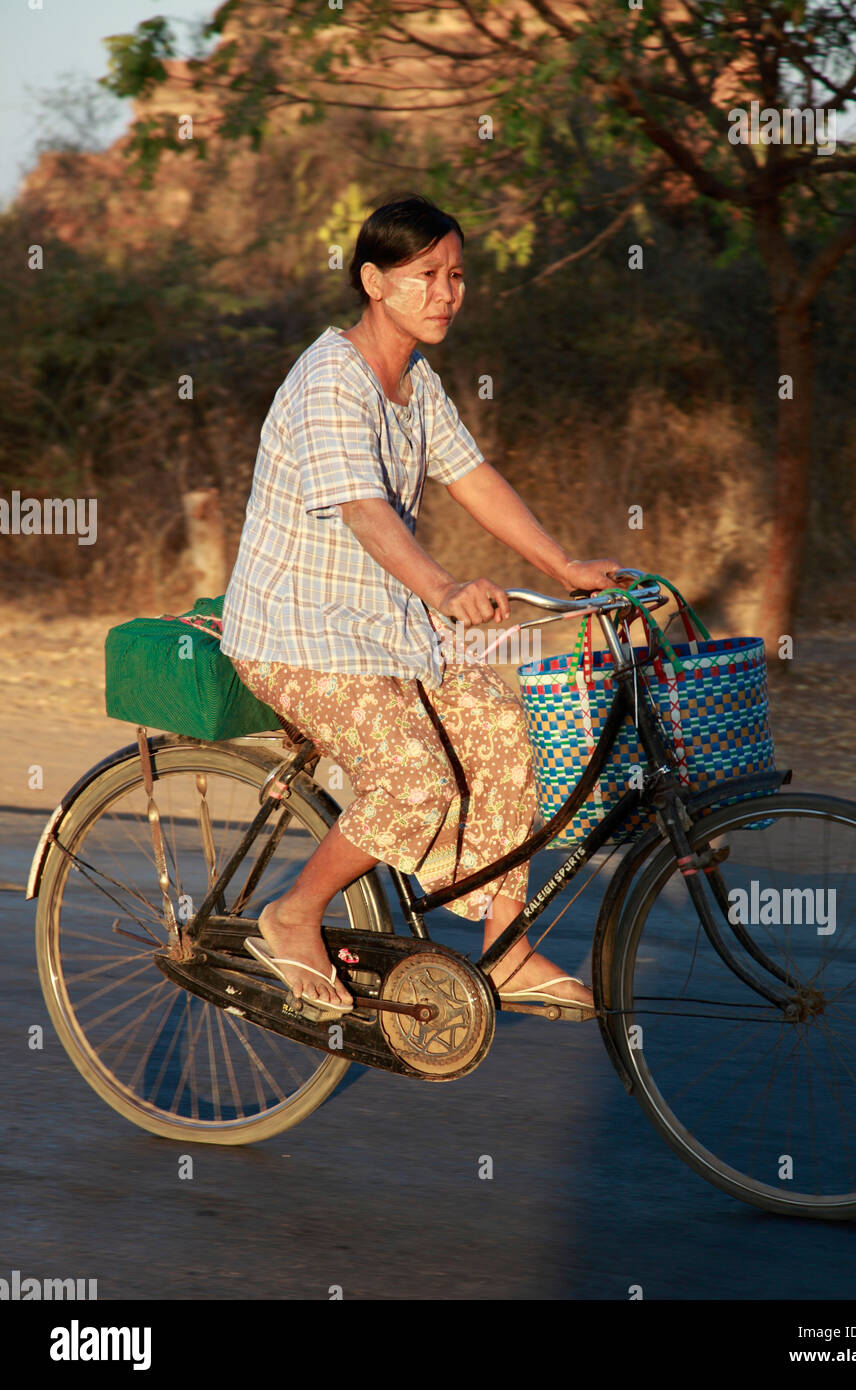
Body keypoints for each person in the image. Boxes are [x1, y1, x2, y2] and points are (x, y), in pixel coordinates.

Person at [220, 193, 621, 1018]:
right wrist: (443, 588)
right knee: (414, 777)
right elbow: (365, 508)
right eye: (427, 275)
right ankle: (295, 914)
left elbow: (470, 475)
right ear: (374, 281)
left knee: (508, 731)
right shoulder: (330, 378)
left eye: (458, 275)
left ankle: (505, 952)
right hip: (300, 635)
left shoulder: (417, 380)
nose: (447, 293)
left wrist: (563, 563)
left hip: (381, 633)